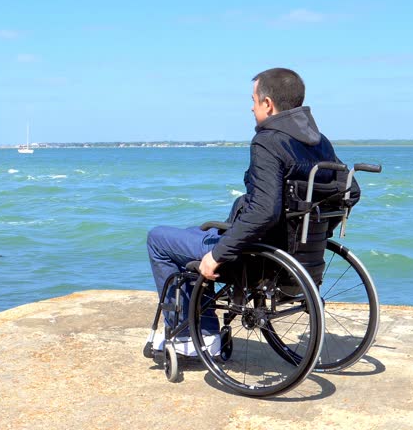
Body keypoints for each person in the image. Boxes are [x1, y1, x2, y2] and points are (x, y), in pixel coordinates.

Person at [146, 67, 359, 342]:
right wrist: (315, 231)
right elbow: (351, 191)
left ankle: (193, 337)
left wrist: (218, 254)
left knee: (159, 239)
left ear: (267, 104)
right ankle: (205, 329)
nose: (251, 107)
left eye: (253, 100)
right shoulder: (321, 143)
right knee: (195, 232)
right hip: (300, 256)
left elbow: (264, 211)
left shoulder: (268, 141)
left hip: (256, 258)